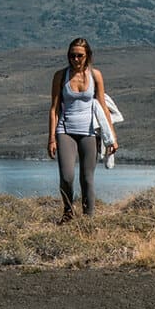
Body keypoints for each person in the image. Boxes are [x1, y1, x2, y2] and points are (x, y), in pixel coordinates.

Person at [46, 36, 117, 221]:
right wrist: (51, 138)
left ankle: (88, 220)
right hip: (65, 130)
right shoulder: (60, 76)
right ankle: (68, 213)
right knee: (67, 177)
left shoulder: (96, 76)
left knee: (87, 179)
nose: (75, 60)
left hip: (89, 132)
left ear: (87, 56)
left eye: (79, 56)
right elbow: (54, 109)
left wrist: (112, 138)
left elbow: (103, 107)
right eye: (72, 56)